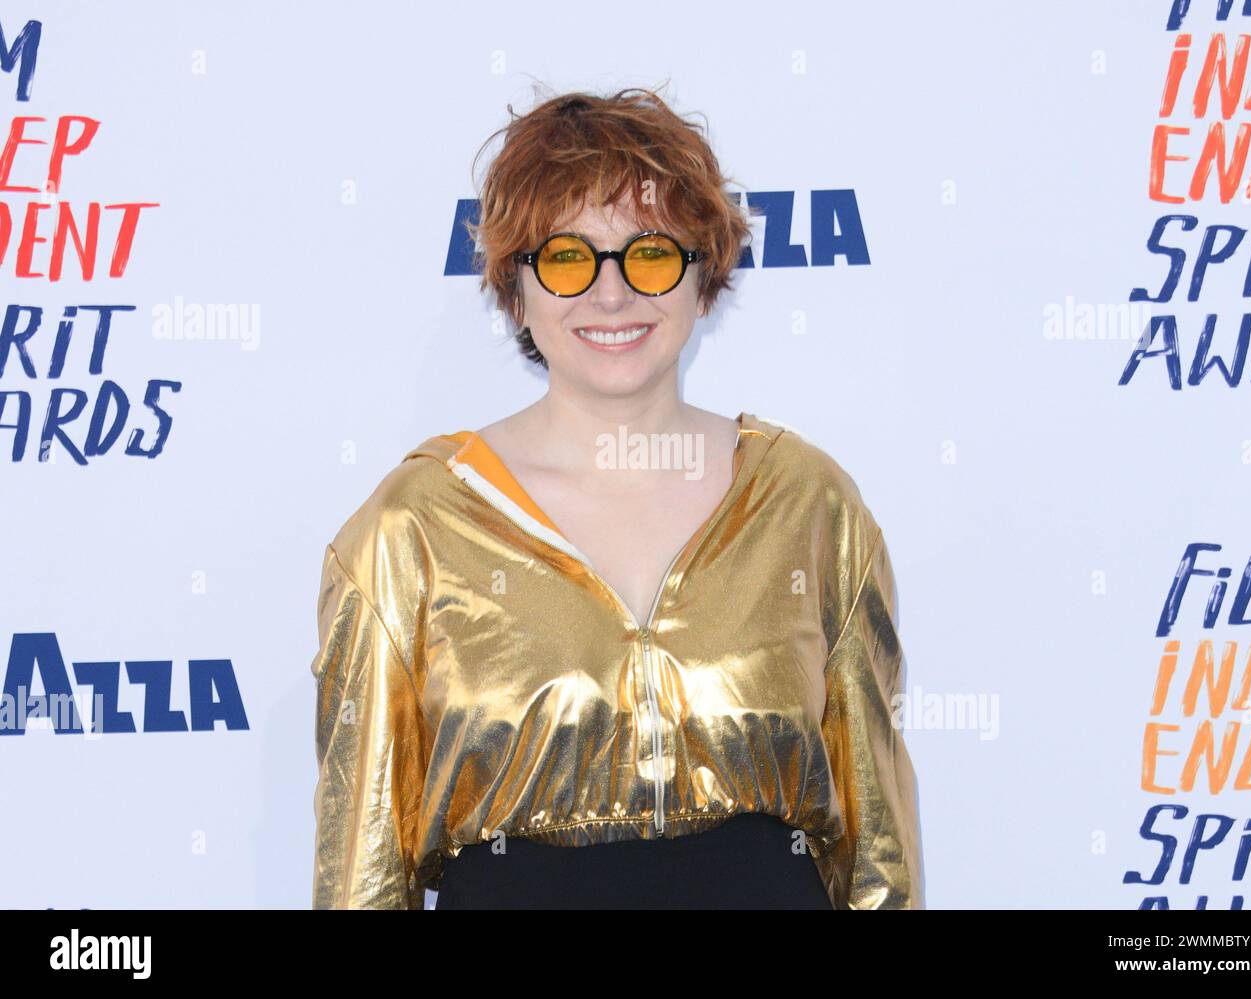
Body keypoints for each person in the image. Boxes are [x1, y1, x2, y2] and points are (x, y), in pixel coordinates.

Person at [310, 86, 924, 909]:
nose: (611, 293)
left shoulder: (809, 504)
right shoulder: (412, 527)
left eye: (651, 253)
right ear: (515, 289)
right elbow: (362, 868)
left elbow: (878, 850)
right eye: (567, 257)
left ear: (703, 277)